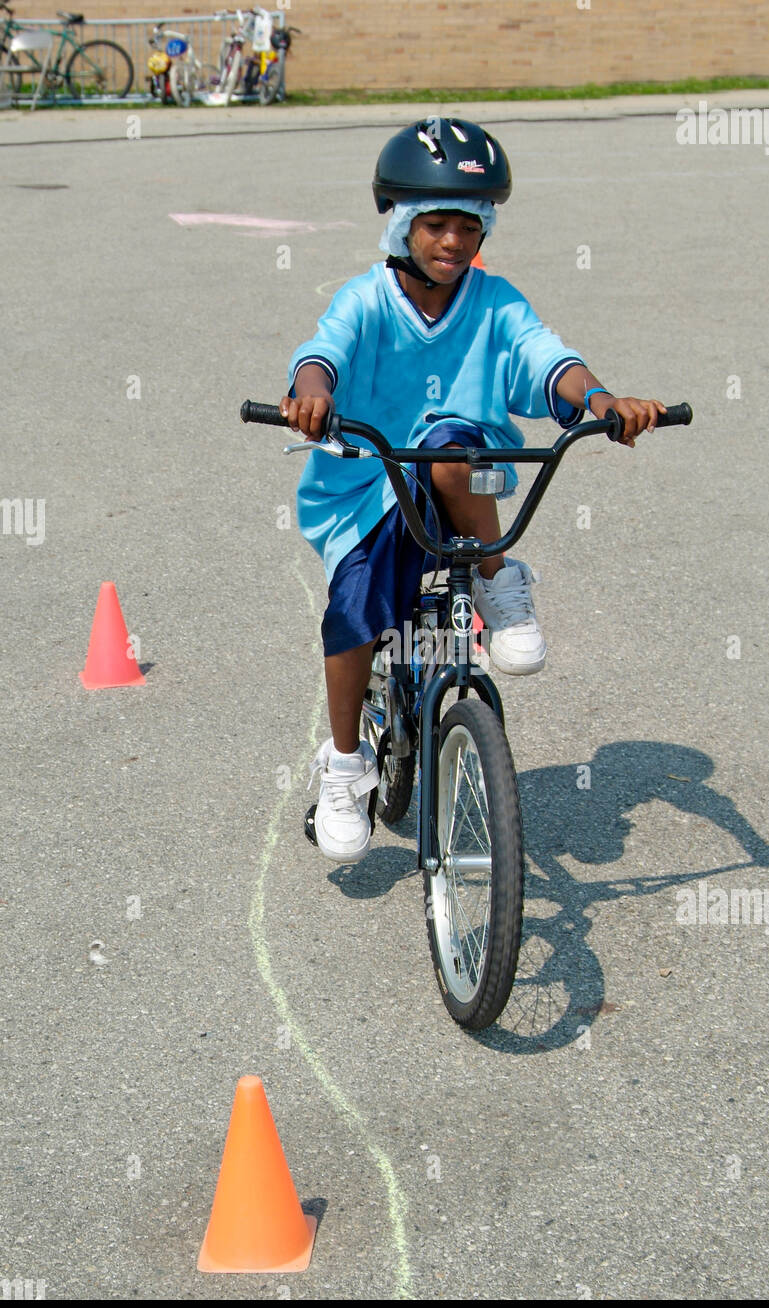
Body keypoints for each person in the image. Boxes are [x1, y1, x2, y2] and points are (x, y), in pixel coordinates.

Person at [279, 117, 665, 863]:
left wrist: (602, 401)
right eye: (435, 225)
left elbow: (547, 358)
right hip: (368, 484)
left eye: (467, 225)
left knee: (451, 448)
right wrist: (310, 394)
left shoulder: (494, 301)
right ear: (401, 226)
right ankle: (345, 765)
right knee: (355, 613)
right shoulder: (366, 300)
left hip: (455, 478)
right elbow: (320, 354)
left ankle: (496, 577)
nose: (452, 242)